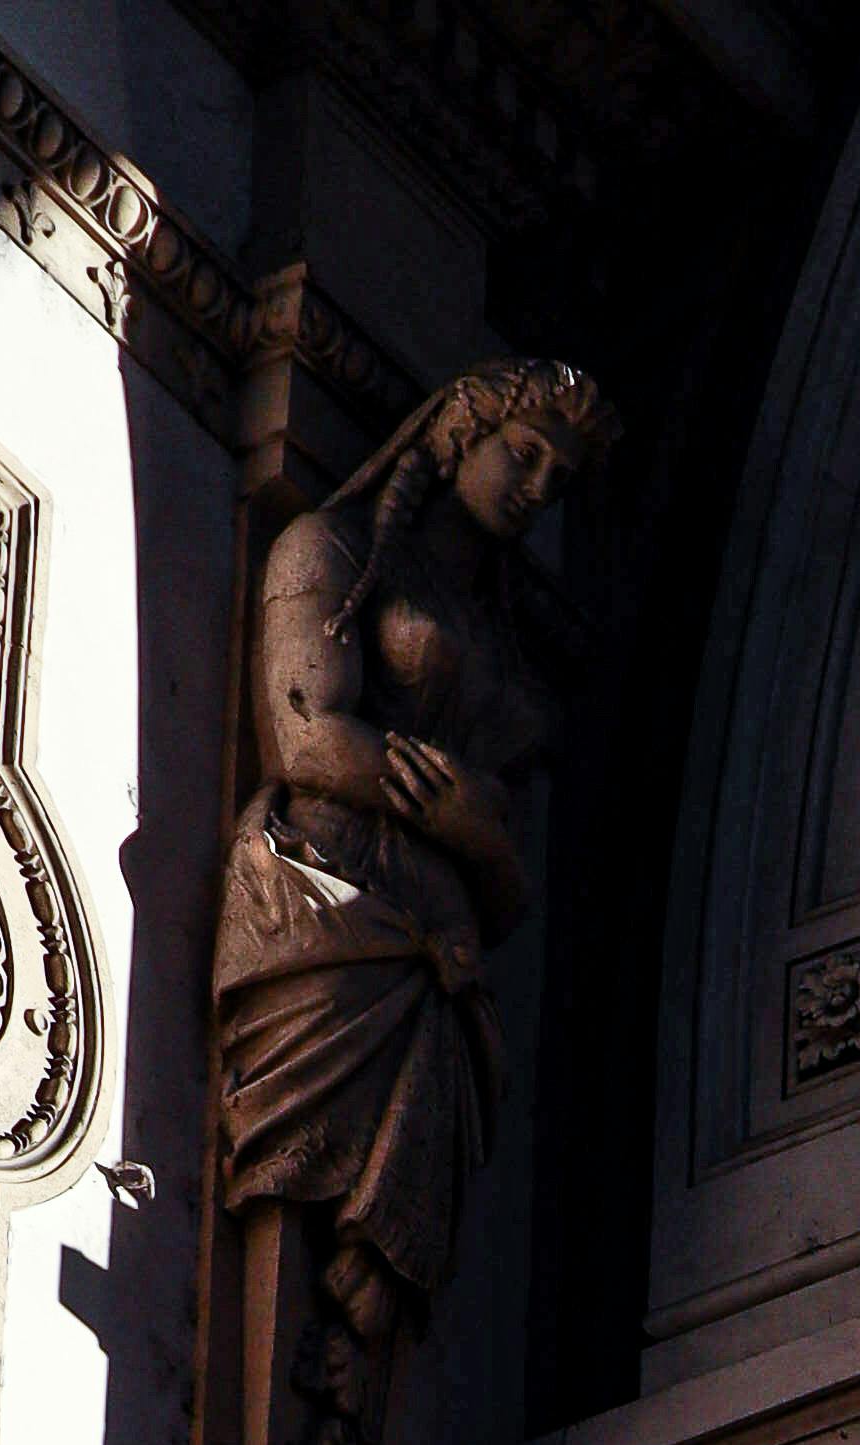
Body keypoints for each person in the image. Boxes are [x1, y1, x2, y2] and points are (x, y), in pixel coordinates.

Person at [211, 359, 609, 1344]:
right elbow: (305, 738)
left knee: (382, 1281)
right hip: (331, 910)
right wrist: (461, 813)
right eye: (525, 454)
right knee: (297, 1190)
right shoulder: (329, 550)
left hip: (443, 964)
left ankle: (333, 1395)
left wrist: (479, 836)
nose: (537, 489)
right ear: (461, 431)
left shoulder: (503, 640)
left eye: (558, 479)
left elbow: (509, 893)